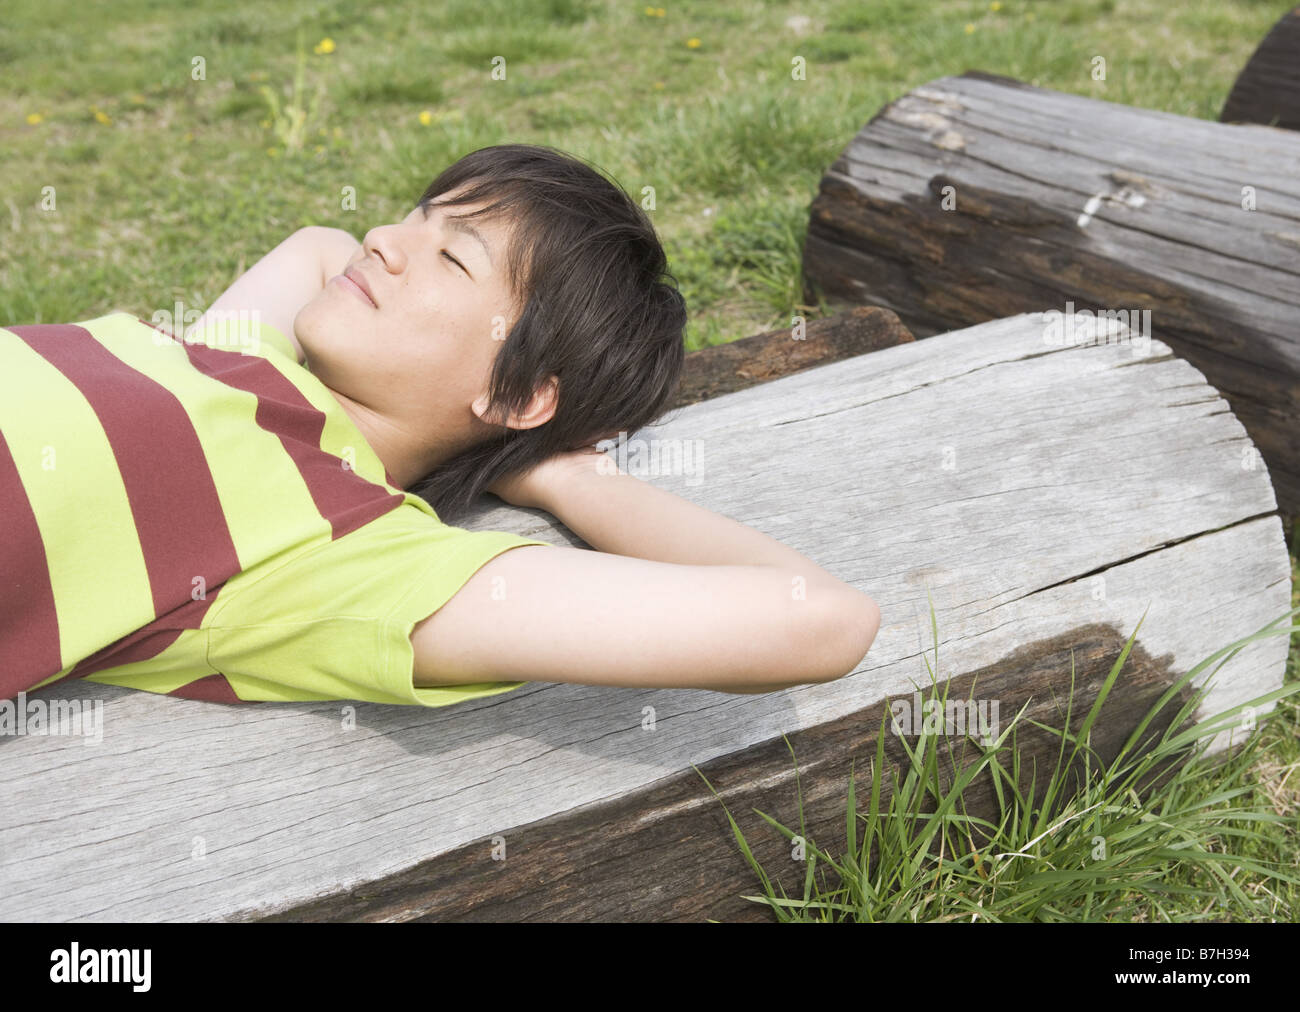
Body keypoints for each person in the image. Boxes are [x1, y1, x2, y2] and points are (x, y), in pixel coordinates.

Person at [0, 143, 880, 710]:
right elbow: (316, 241)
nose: (382, 238)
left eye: (452, 256)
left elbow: (823, 620)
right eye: (416, 217)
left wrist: (559, 474)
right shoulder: (235, 360)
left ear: (521, 391)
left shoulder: (341, 553)